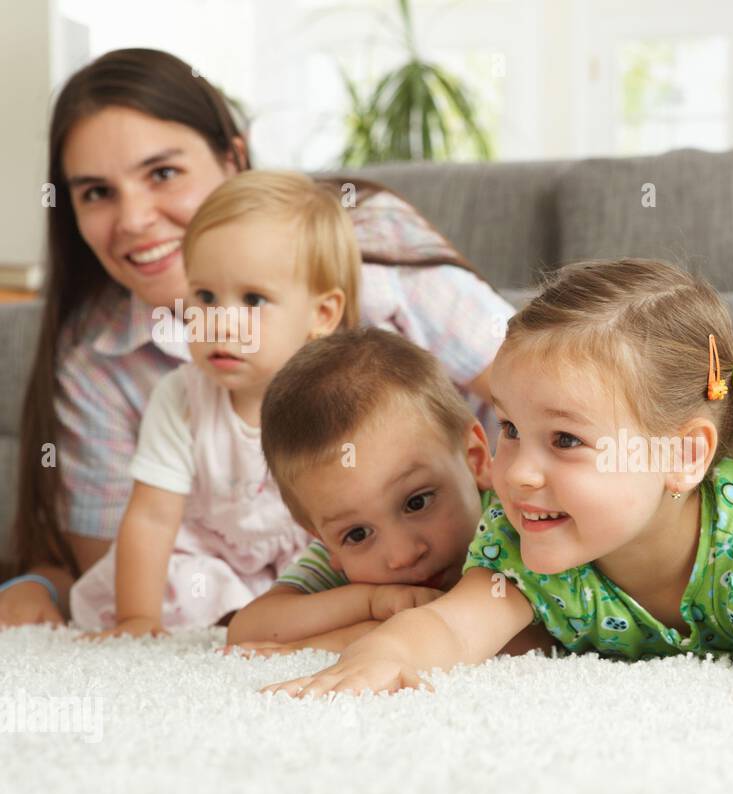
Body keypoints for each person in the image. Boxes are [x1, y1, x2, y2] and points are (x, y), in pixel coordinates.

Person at [0, 48, 509, 627]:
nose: (134, 218)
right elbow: (126, 553)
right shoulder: (103, 363)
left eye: (163, 173)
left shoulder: (370, 254)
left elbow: (547, 394)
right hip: (276, 600)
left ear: (232, 156)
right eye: (96, 192)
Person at [261, 259, 733, 700]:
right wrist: (385, 654)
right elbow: (448, 625)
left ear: (684, 454)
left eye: (566, 440)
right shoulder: (525, 543)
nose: (518, 474)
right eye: (510, 428)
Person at [71, 170, 351, 632]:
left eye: (253, 299)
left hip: (301, 556)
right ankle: (237, 623)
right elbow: (152, 518)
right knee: (186, 578)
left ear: (321, 314)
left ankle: (290, 618)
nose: (220, 323)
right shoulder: (182, 397)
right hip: (208, 557)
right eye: (204, 296)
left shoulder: (339, 401)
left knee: (342, 569)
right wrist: (137, 619)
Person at [226, 327, 549, 657]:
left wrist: (366, 635)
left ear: (475, 459)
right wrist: (369, 603)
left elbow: (543, 639)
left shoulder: (520, 521)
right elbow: (246, 630)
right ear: (324, 540)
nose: (402, 555)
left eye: (417, 502)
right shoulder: (343, 563)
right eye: (358, 534)